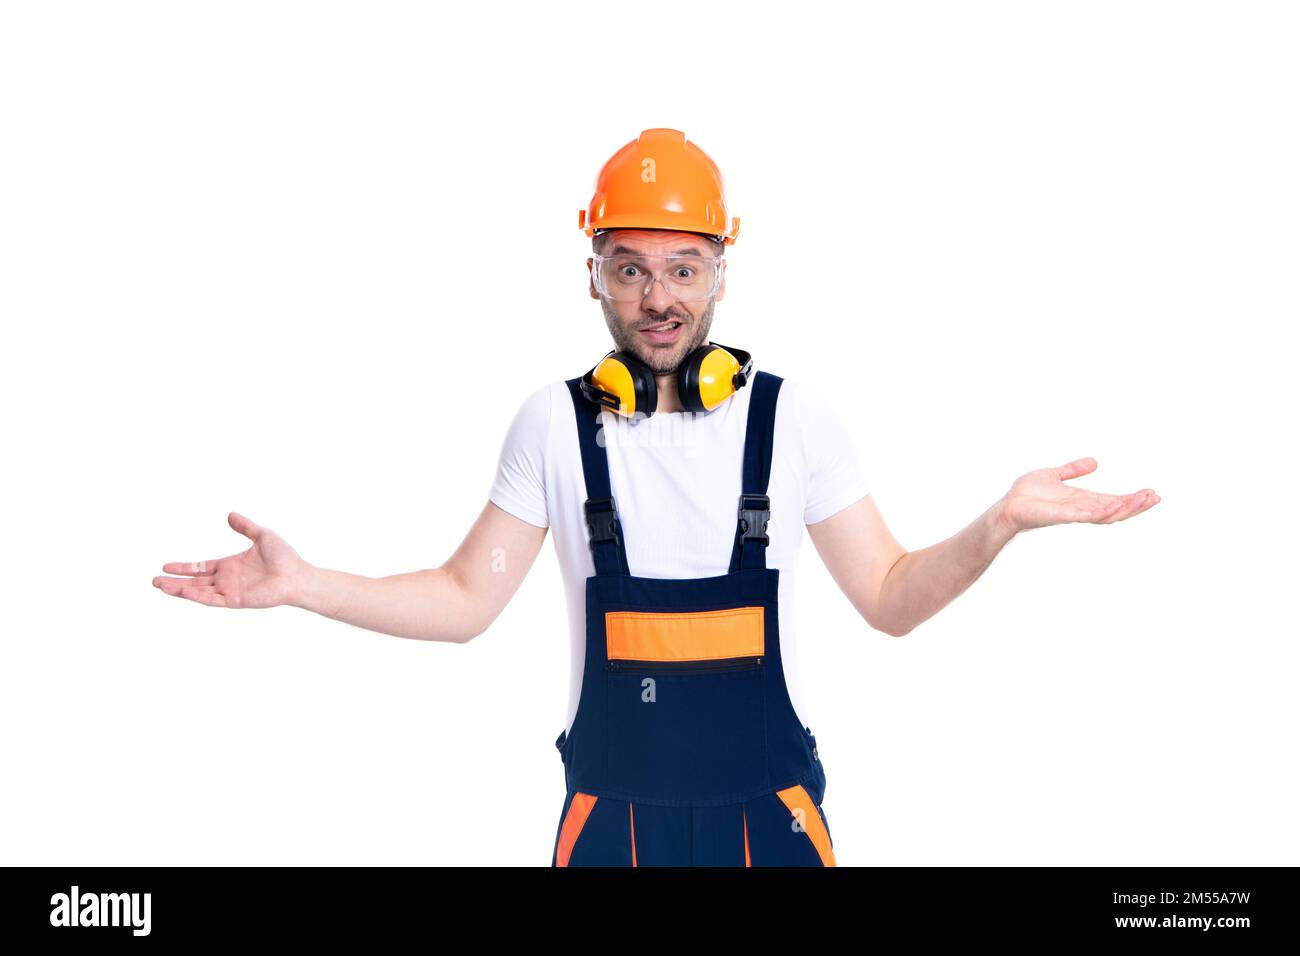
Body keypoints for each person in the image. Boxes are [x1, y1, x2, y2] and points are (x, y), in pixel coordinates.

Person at [153, 128, 1160, 866]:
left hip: (771, 823)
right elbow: (464, 599)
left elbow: (890, 598)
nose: (658, 296)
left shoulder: (795, 421)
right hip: (610, 826)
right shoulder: (552, 426)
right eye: (628, 268)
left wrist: (996, 526)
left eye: (682, 267)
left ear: (722, 268)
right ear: (590, 275)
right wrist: (305, 583)